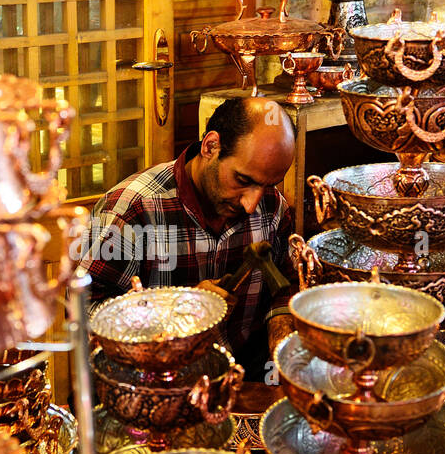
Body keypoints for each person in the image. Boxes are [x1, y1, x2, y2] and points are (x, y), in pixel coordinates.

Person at [77, 97, 296, 374]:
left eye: (267, 185)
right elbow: (82, 313)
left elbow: (286, 287)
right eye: (243, 180)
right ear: (210, 146)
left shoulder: (272, 206)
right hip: (151, 385)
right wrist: (174, 311)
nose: (251, 204)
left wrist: (280, 333)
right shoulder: (132, 211)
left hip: (240, 378)